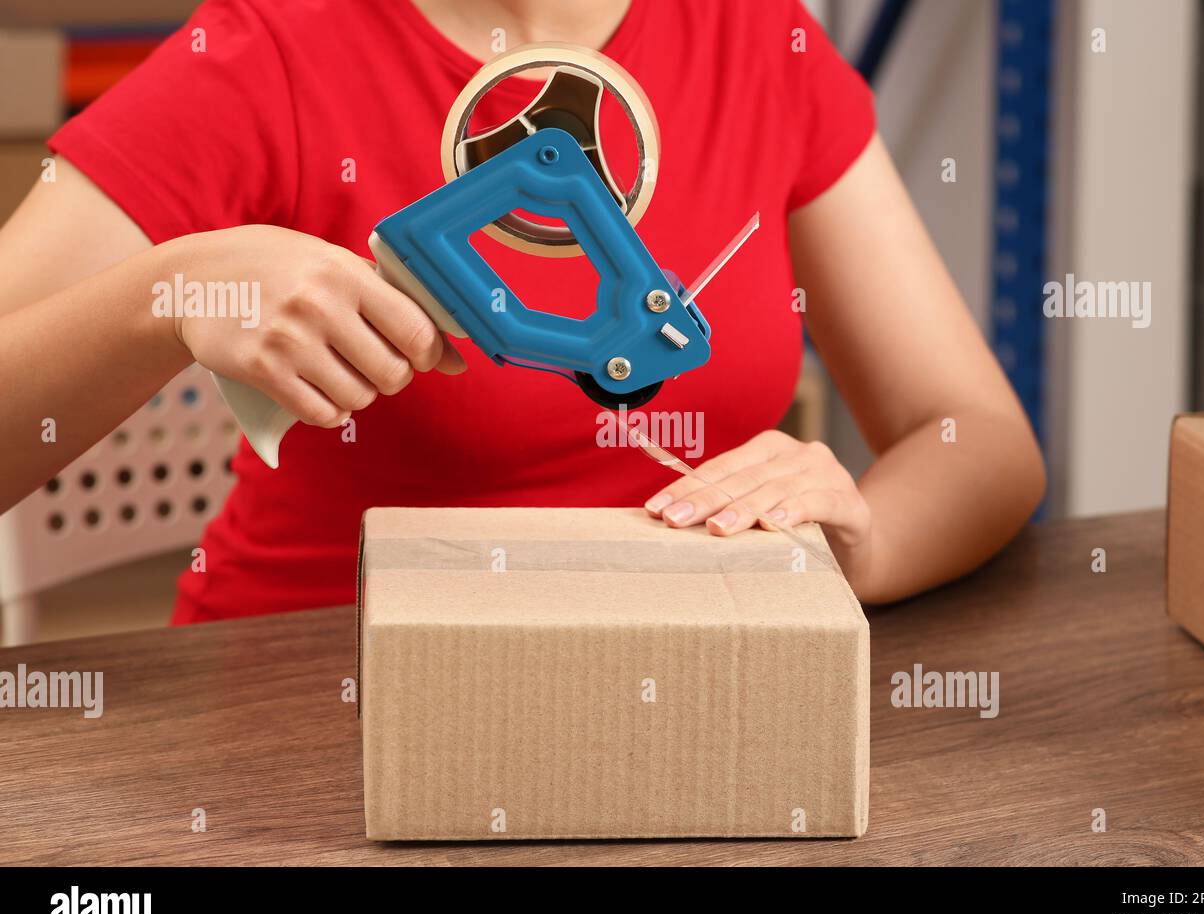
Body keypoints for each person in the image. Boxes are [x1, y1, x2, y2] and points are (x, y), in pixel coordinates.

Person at [0, 0, 1044, 622]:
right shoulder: (270, 47)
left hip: (684, 682)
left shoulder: (750, 31)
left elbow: (976, 435)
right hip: (317, 708)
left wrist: (854, 546)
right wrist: (170, 291)